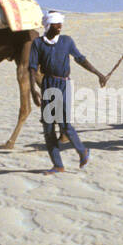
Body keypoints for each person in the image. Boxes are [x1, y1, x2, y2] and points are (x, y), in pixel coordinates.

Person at [28, 11, 107, 174]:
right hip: (47, 84)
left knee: (64, 123)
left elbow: (81, 59)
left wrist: (98, 74)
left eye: (60, 24)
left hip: (63, 84)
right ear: (48, 25)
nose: (60, 27)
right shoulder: (38, 43)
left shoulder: (66, 41)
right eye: (56, 24)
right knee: (48, 127)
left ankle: (82, 151)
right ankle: (58, 165)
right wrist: (32, 89)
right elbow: (32, 68)